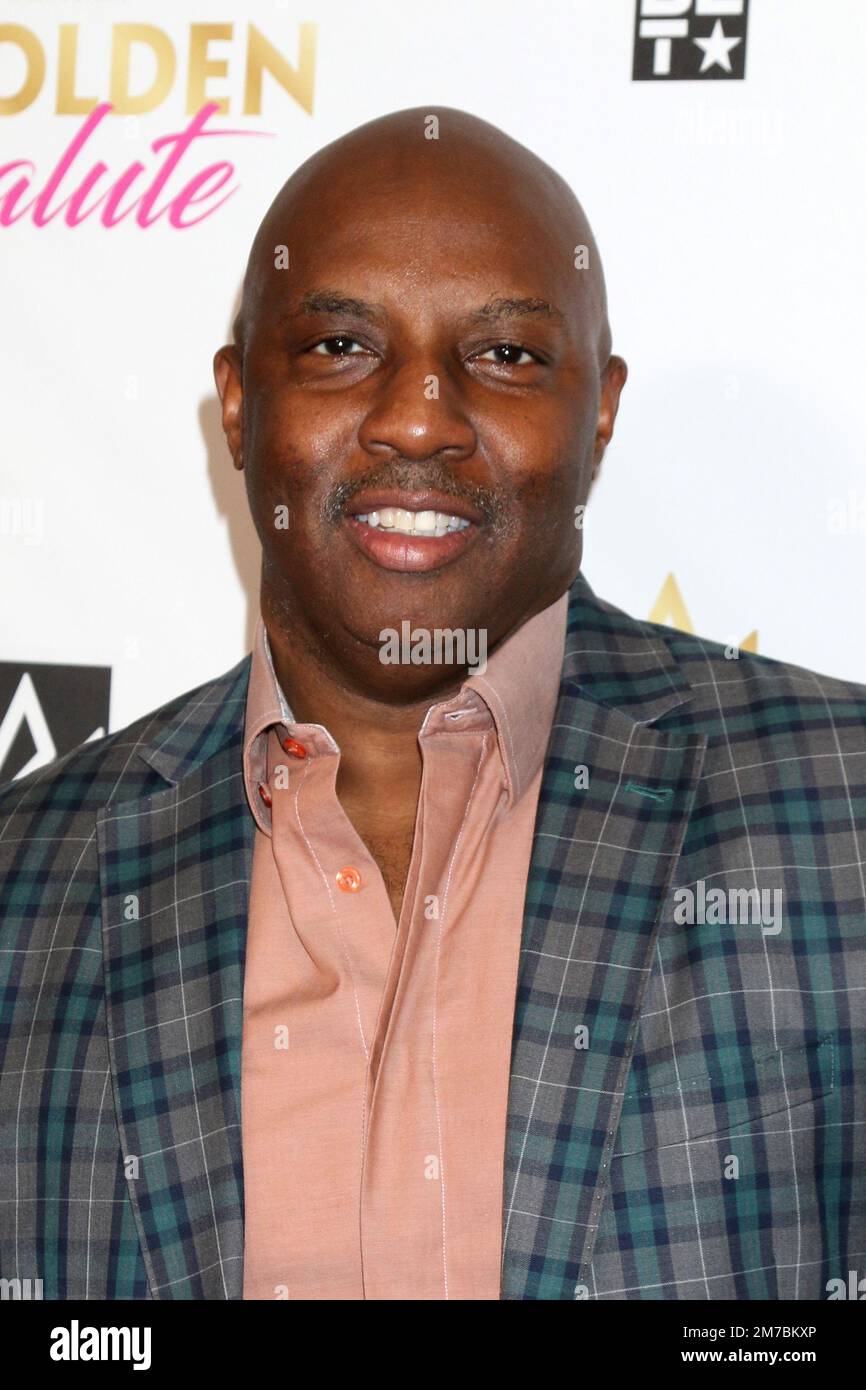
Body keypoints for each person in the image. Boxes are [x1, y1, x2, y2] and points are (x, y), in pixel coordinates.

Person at [0, 107, 863, 1302]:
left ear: (597, 410)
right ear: (238, 403)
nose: (416, 417)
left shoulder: (842, 811)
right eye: (340, 346)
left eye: (503, 356)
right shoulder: (27, 874)